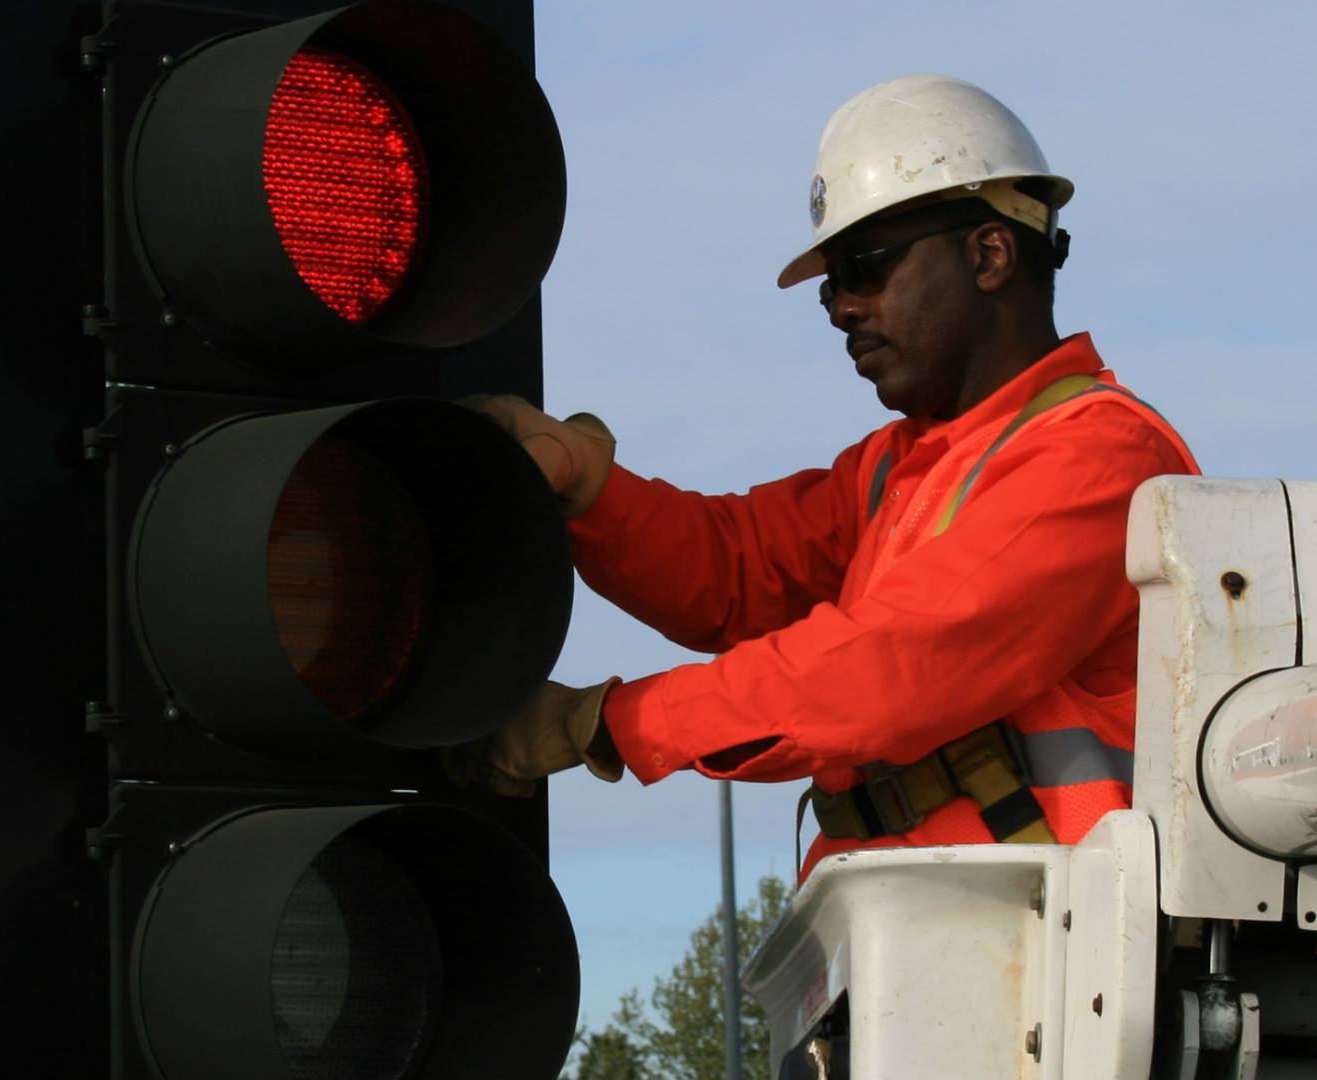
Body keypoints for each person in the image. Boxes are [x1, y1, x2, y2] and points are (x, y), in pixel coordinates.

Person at [447, 73, 1200, 876]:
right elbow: (733, 568)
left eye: (865, 268)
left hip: (1052, 931)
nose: (843, 307)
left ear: (989, 254)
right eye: (832, 288)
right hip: (915, 923)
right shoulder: (899, 471)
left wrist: (608, 722)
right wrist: (588, 486)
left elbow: (884, 670)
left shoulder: (1099, 459)